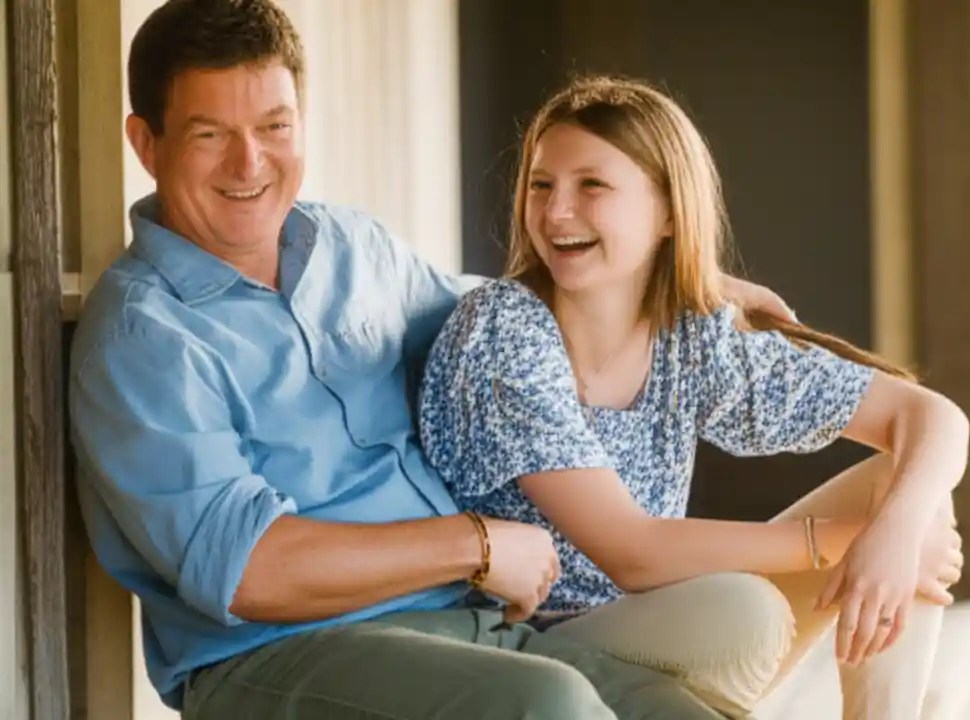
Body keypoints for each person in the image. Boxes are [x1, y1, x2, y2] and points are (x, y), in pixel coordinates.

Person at [68, 2, 793, 717]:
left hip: (464, 628)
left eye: (274, 127)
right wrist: (474, 545)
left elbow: (518, 317)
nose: (249, 162)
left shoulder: (350, 249)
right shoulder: (143, 337)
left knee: (668, 708)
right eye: (210, 134)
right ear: (146, 143)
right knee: (551, 704)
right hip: (274, 656)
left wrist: (667, 282)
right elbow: (249, 572)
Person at [417, 76, 969, 719]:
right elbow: (632, 553)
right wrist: (857, 542)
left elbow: (930, 415)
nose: (556, 211)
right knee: (744, 612)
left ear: (669, 212)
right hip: (534, 652)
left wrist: (897, 535)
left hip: (667, 629)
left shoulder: (691, 334)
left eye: (591, 186)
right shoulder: (503, 329)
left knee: (911, 495)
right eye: (541, 185)